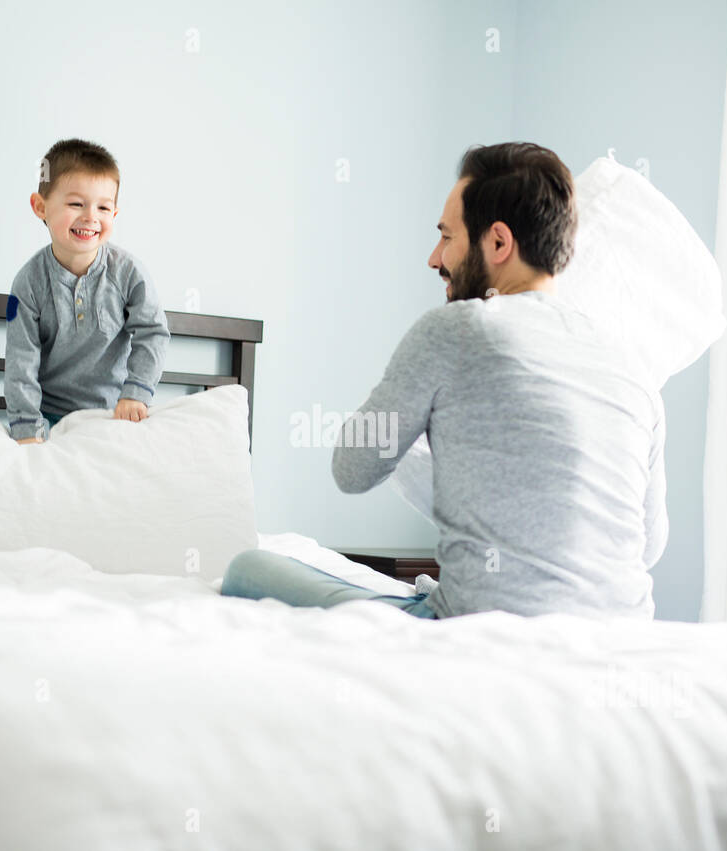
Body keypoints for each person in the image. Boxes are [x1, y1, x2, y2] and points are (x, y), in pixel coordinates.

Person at [222, 142, 667, 620]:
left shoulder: (458, 329)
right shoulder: (631, 366)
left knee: (248, 567)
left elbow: (351, 470)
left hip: (474, 628)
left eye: (447, 237)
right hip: (626, 635)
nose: (435, 259)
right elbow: (648, 544)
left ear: (498, 242)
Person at [5, 138, 170, 444]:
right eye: (76, 204)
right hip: (49, 417)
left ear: (115, 215)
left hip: (114, 414)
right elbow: (20, 360)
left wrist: (136, 393)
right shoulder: (27, 283)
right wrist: (28, 428)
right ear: (40, 207)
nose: (91, 216)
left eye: (104, 207)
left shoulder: (129, 273)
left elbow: (153, 333)